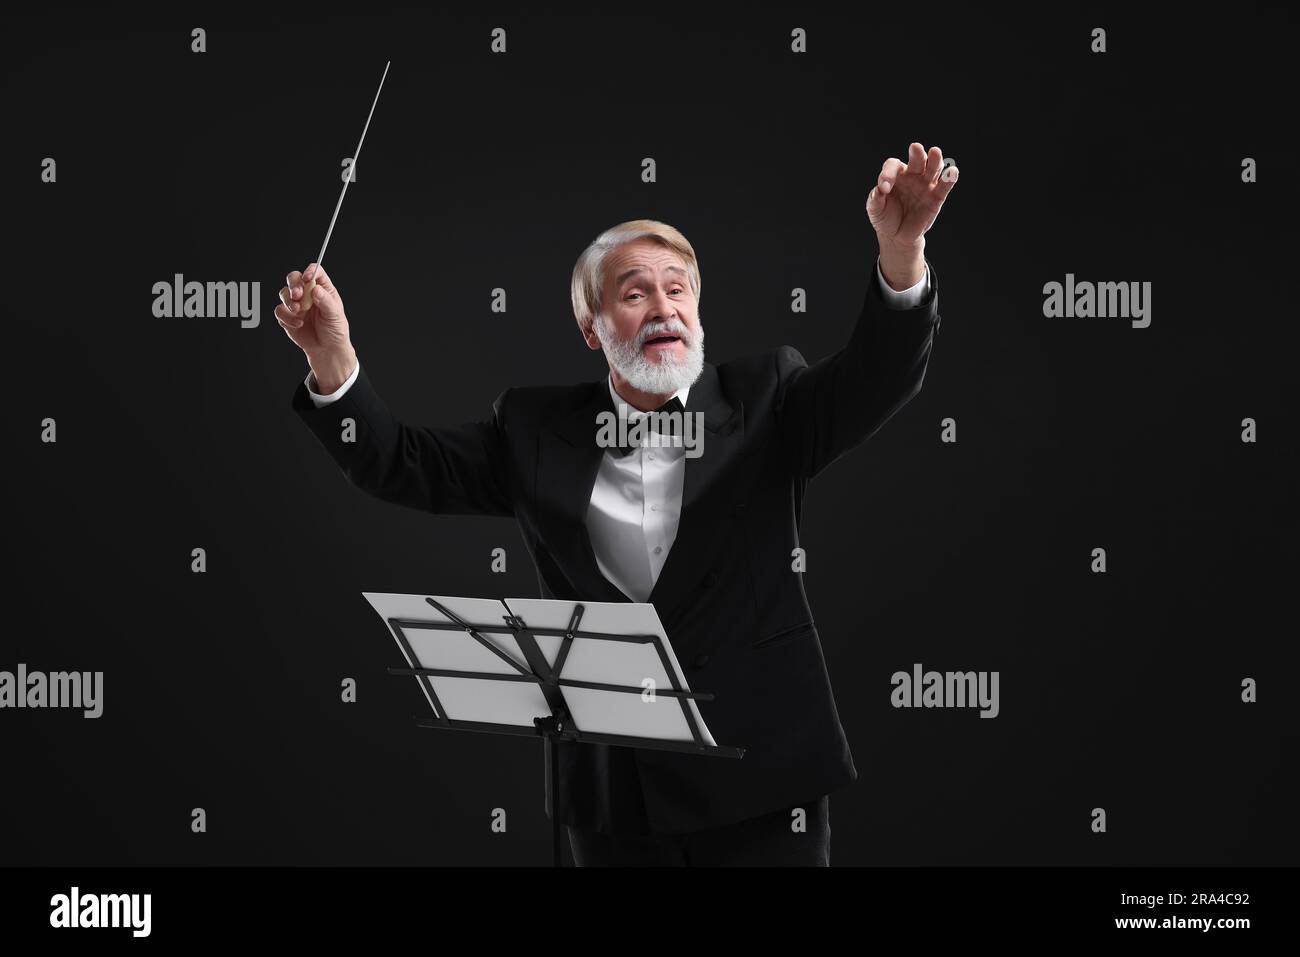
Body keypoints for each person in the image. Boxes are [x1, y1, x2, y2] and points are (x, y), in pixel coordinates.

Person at [278, 143, 959, 865]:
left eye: (678, 290)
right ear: (592, 326)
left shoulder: (767, 398)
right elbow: (399, 464)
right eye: (635, 293)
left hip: (766, 780)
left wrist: (902, 250)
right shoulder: (532, 429)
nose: (664, 307)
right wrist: (333, 358)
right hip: (611, 799)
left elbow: (877, 377)